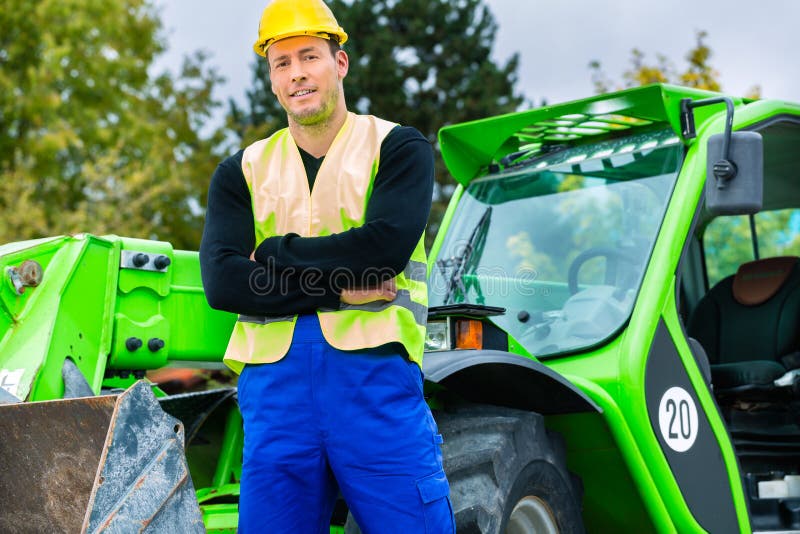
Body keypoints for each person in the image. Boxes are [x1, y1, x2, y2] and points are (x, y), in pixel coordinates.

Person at [198, 0, 455, 532]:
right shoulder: (239, 171)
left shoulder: (397, 147)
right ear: (271, 80)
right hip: (275, 394)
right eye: (282, 63)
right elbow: (223, 283)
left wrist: (270, 254)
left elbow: (382, 250)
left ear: (340, 63)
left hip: (374, 382)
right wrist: (339, 291)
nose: (297, 75)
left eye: (309, 57)